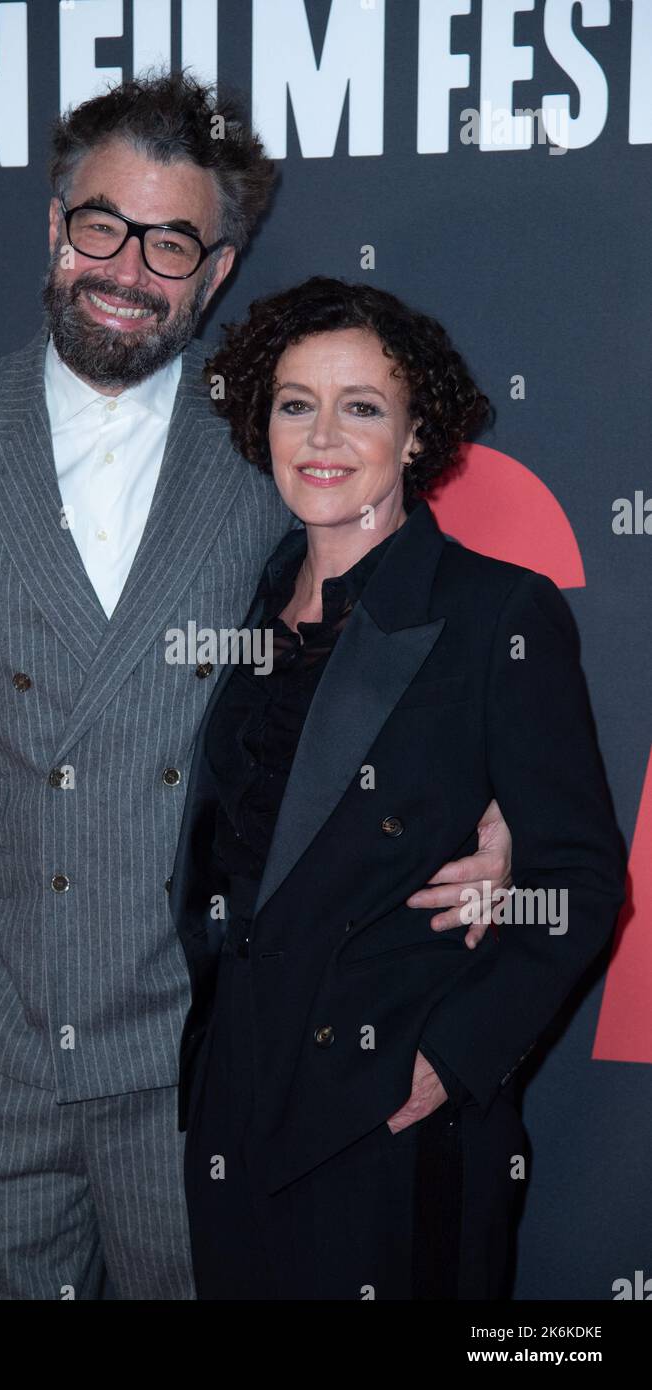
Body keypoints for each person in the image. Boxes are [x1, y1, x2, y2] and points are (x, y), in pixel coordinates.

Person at [0, 74, 511, 1301]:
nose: (126, 267)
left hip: (199, 1058)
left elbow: (408, 648)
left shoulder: (269, 447)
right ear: (53, 226)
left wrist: (498, 802)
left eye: (169, 242)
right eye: (101, 224)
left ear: (214, 271)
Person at [171, 276, 627, 1301]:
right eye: (295, 403)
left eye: (361, 406)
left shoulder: (491, 613)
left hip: (383, 1118)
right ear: (261, 420)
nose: (322, 435)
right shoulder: (252, 593)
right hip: (232, 1098)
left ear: (415, 433)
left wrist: (444, 1063)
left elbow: (579, 878)